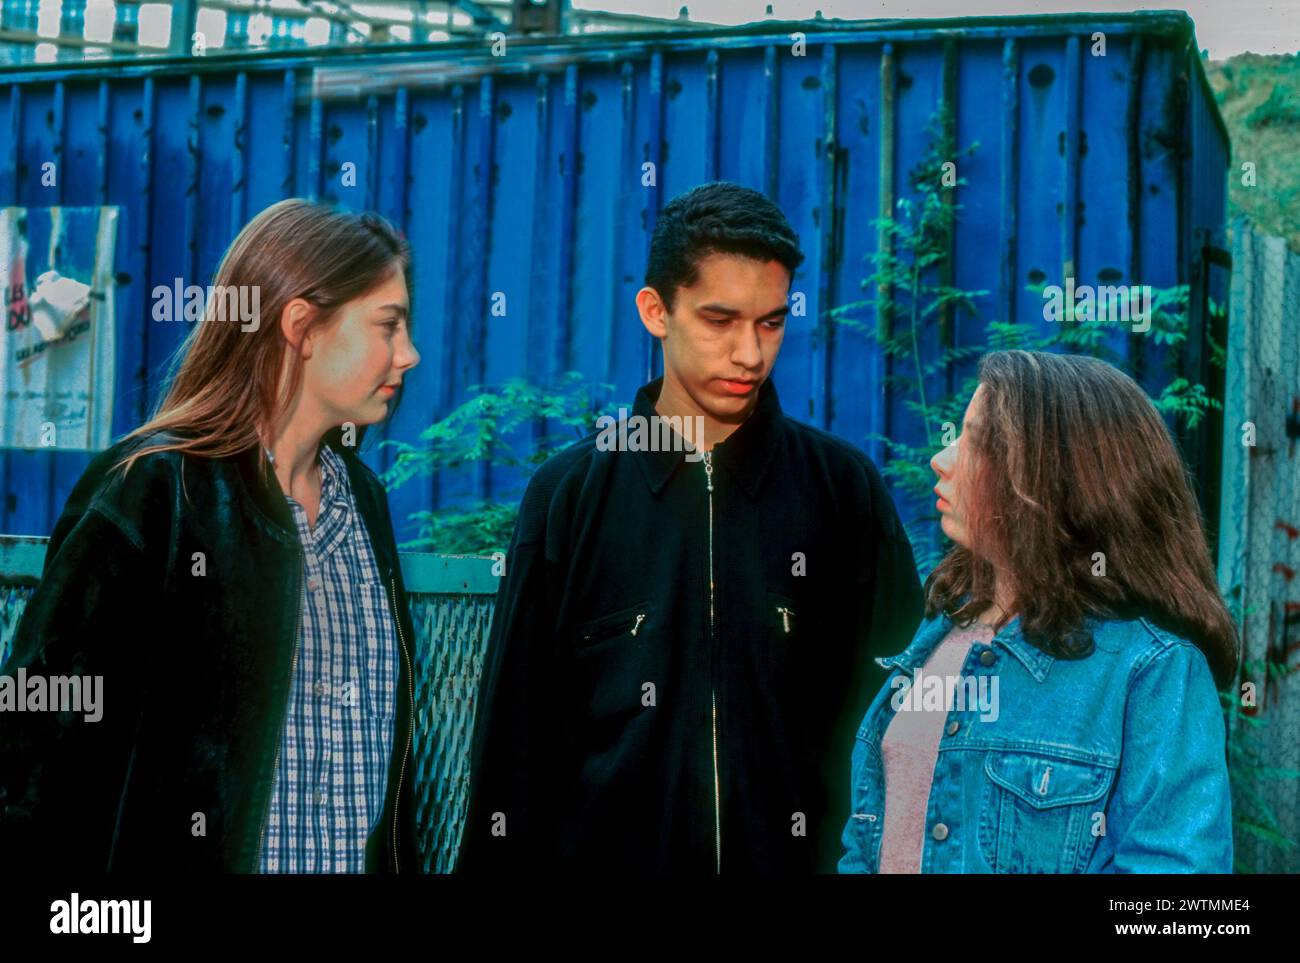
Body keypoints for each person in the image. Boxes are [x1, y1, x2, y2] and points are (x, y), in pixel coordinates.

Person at [455, 181, 925, 873]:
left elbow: (901, 731)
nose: (750, 353)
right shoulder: (569, 497)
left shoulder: (843, 491)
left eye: (770, 322)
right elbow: (513, 748)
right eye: (720, 319)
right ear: (656, 310)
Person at [0, 199, 423, 873]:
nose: (410, 353)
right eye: (388, 325)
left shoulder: (364, 503)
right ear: (302, 326)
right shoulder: (151, 492)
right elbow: (30, 761)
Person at [839, 349, 1238, 874]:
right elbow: (866, 841)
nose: (942, 459)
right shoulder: (940, 634)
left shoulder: (1152, 672)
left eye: (977, 442)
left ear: (1057, 481)